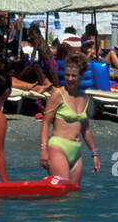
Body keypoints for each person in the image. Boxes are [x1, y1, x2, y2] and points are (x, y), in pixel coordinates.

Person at [40, 52, 100, 184]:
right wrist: (44, 150)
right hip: (58, 148)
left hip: (76, 151)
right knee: (61, 194)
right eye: (67, 75)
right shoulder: (58, 94)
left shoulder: (84, 98)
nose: (70, 79)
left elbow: (86, 130)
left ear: (81, 76)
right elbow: (46, 123)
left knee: (74, 196)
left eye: (74, 76)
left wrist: (94, 153)